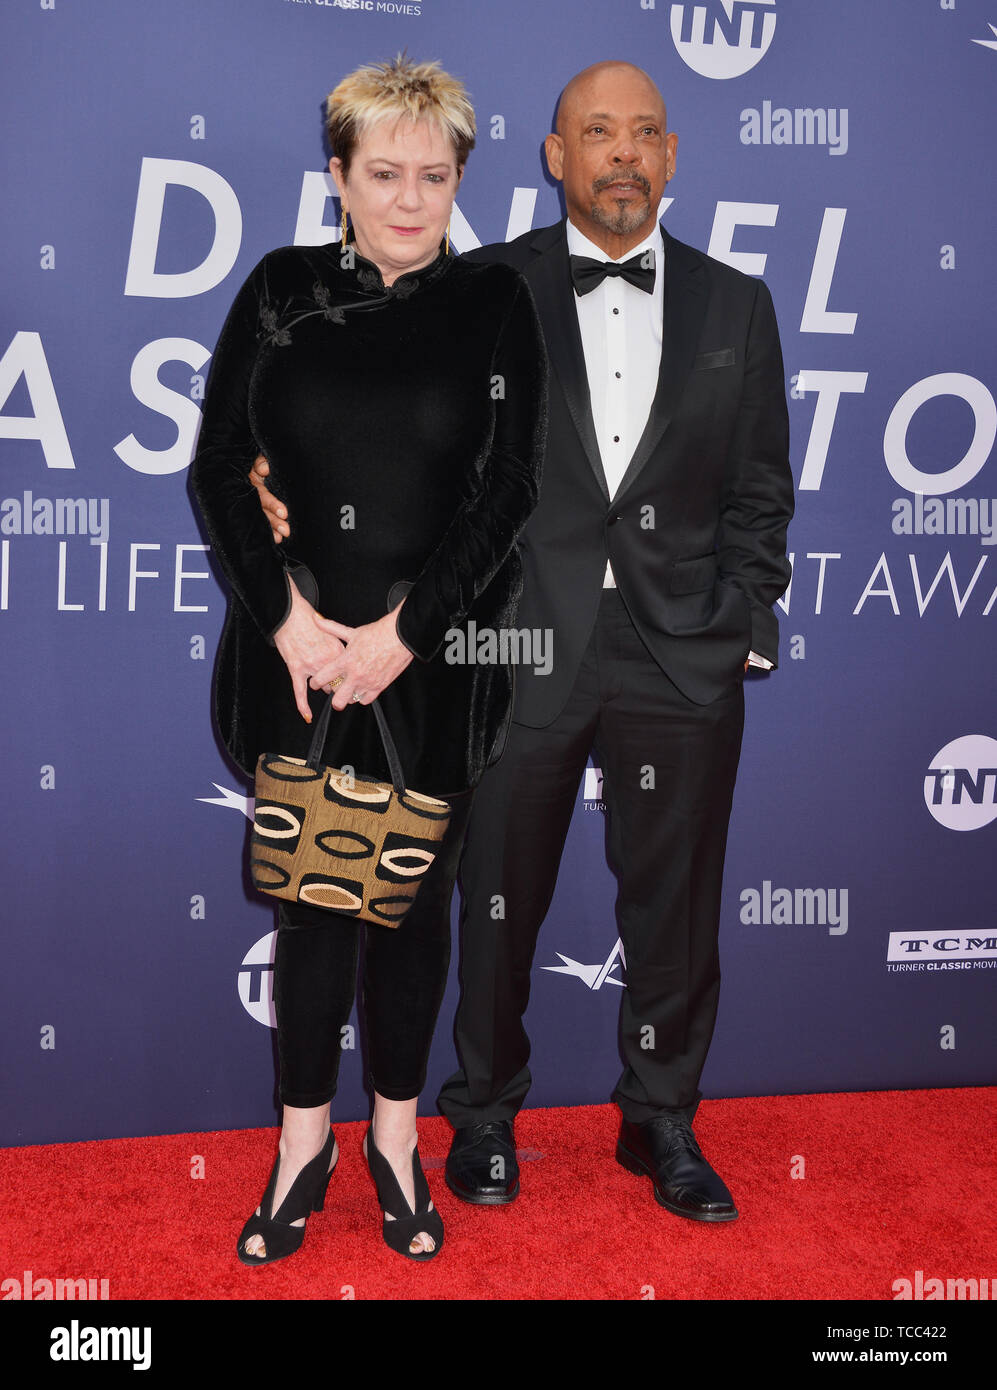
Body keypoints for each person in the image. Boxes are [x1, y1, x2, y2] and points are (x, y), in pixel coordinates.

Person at [252, 59, 793, 1224]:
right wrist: (270, 476)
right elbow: (390, 438)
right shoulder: (484, 286)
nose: (621, 153)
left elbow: (760, 488)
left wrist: (745, 619)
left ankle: (660, 1119)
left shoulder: (735, 303)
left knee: (675, 908)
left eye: (644, 132)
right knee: (495, 894)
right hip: (510, 646)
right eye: (595, 131)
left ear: (671, 155)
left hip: (681, 652)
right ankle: (483, 1112)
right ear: (555, 156)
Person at [191, 54, 546, 1264]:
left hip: (429, 662)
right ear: (336, 176)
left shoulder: (495, 303)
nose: (408, 199)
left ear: (458, 179)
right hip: (295, 655)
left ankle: (394, 1140)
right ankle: (302, 1144)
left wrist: (406, 636)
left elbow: (507, 493)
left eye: (433, 176)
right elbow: (216, 463)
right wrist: (287, 616)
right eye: (382, 174)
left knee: (409, 911)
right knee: (312, 908)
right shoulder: (283, 289)